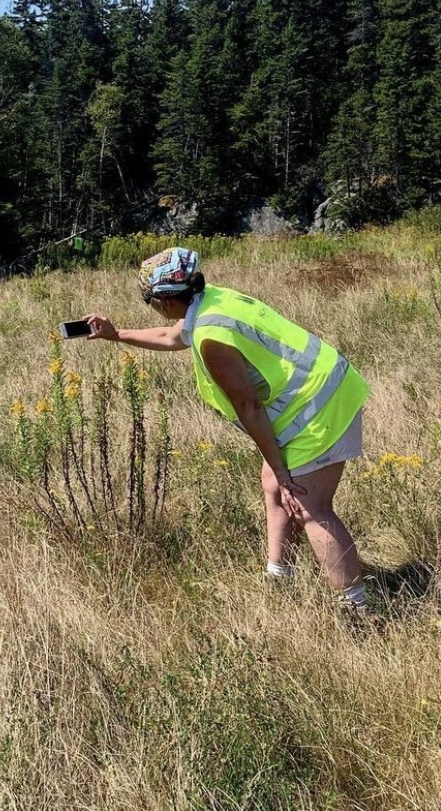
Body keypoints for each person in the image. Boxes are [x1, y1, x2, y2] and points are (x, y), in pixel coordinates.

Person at [84, 246, 372, 615]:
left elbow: (249, 406)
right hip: (324, 391)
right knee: (273, 483)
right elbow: (173, 337)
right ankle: (278, 578)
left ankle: (355, 611)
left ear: (164, 301)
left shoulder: (211, 338)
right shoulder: (212, 300)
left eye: (148, 301)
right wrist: (116, 333)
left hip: (319, 408)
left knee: (308, 506)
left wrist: (285, 471)